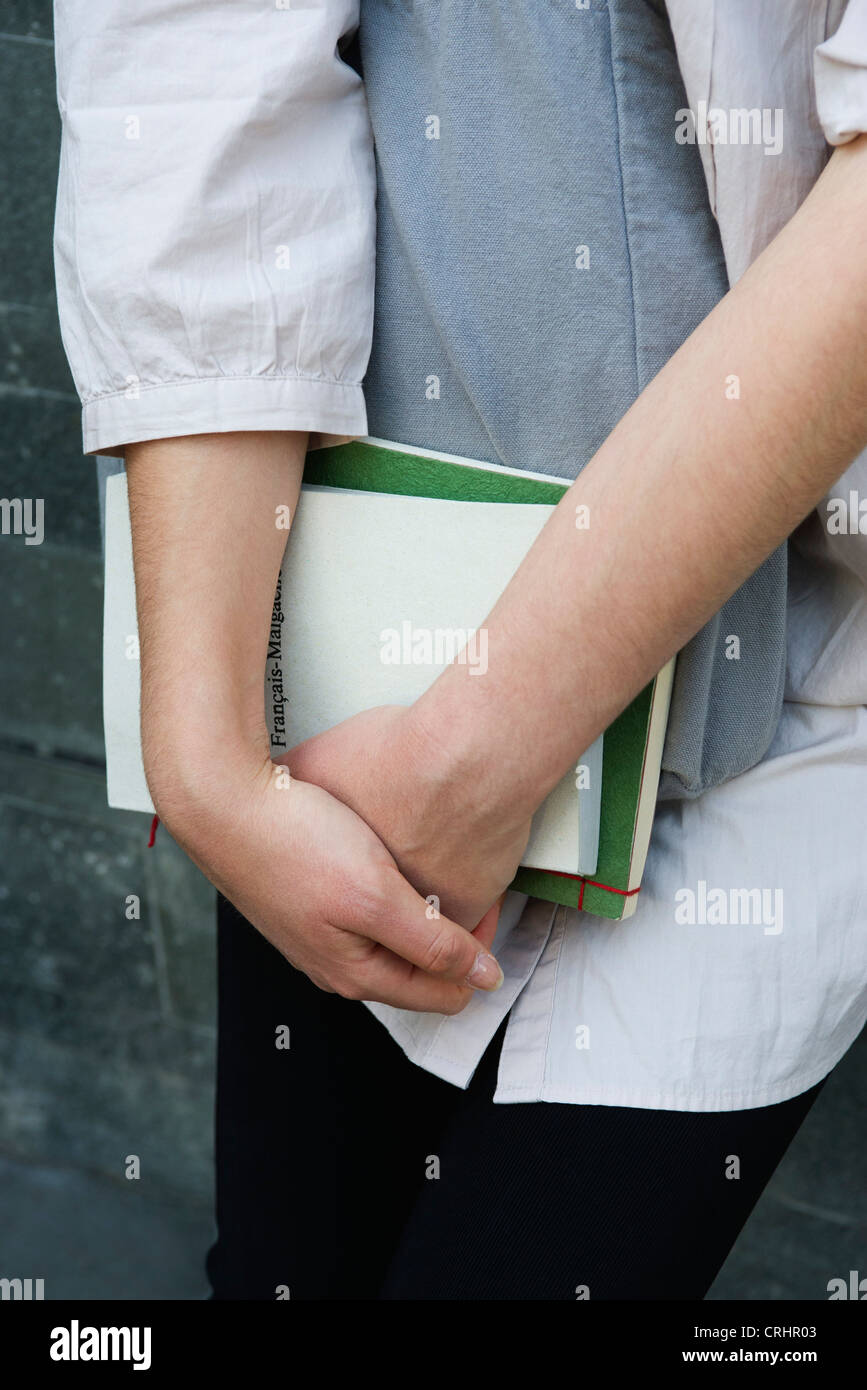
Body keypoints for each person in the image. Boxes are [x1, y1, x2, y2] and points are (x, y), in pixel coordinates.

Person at [53, 0, 867, 1299]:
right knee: (281, 1276)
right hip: (338, 633)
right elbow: (195, 58)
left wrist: (472, 751)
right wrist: (206, 750)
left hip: (779, 685)